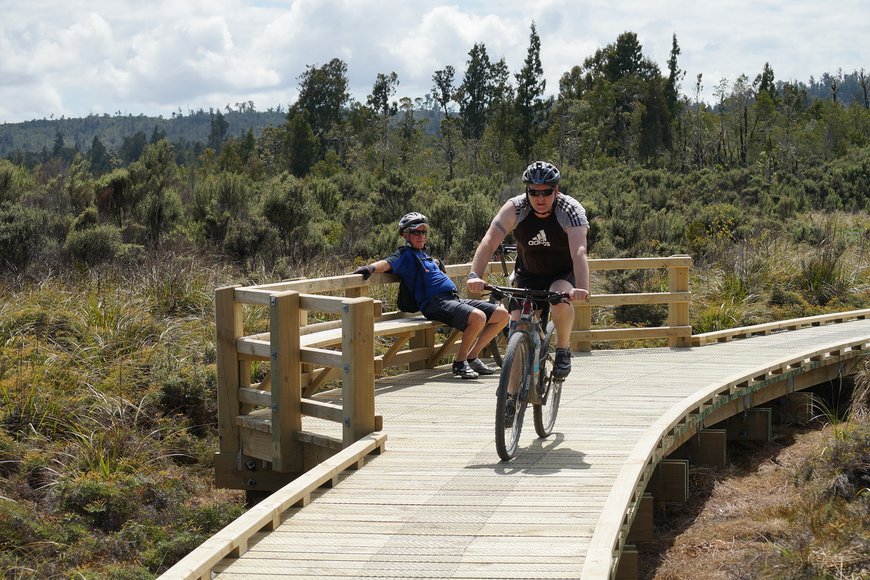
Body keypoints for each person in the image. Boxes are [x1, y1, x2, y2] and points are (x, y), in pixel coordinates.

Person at [466, 160, 590, 381]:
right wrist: (475, 275)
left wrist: (581, 288)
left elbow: (579, 251)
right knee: (517, 330)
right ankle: (510, 400)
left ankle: (563, 349)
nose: (539, 198)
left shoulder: (569, 210)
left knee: (560, 300)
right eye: (533, 192)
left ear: (556, 190)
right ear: (527, 191)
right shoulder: (515, 208)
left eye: (546, 192)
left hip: (561, 273)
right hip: (528, 275)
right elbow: (488, 242)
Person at [353, 212, 510, 379]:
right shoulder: (405, 255)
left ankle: (472, 356)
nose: (421, 236)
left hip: (451, 299)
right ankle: (459, 362)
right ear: (405, 234)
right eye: (416, 232)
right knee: (477, 318)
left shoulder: (425, 255)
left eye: (423, 232)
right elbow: (388, 263)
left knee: (502, 315)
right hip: (434, 303)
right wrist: (370, 268)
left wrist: (435, 262)